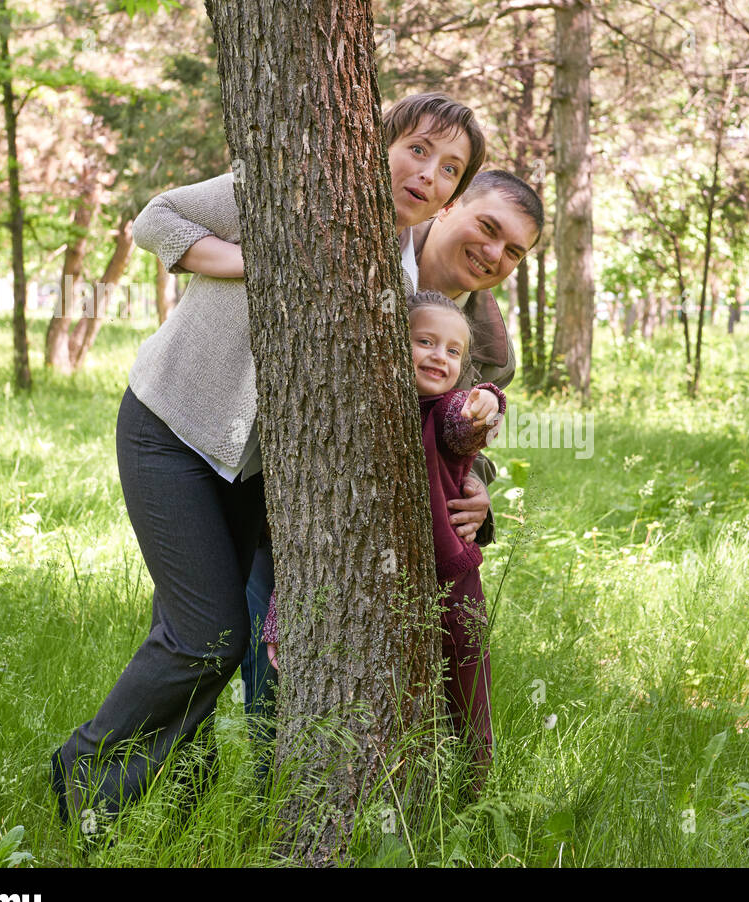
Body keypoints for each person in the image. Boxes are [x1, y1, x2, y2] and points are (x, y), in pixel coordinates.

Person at [50, 92, 487, 823]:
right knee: (206, 636)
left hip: (255, 471)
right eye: (418, 149)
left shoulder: (406, 283)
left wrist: (472, 479)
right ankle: (82, 776)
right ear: (377, 143)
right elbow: (157, 220)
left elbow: (419, 406)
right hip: (171, 427)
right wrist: (261, 264)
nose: (428, 174)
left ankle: (164, 801)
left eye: (450, 169)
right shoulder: (287, 184)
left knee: (200, 635)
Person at [239, 169, 544, 771]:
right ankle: (248, 801)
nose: (494, 255)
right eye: (488, 229)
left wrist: (478, 481)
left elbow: (463, 428)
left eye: (514, 251)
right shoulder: (363, 248)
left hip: (402, 538)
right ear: (451, 206)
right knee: (237, 651)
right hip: (272, 487)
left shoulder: (489, 343)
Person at [264, 291, 504, 783]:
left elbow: (466, 422)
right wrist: (279, 614)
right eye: (425, 341)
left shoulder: (444, 416)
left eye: (454, 351)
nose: (440, 355)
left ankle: (476, 789)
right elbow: (310, 537)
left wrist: (488, 401)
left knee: (467, 690)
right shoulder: (353, 417)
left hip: (452, 581)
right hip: (371, 578)